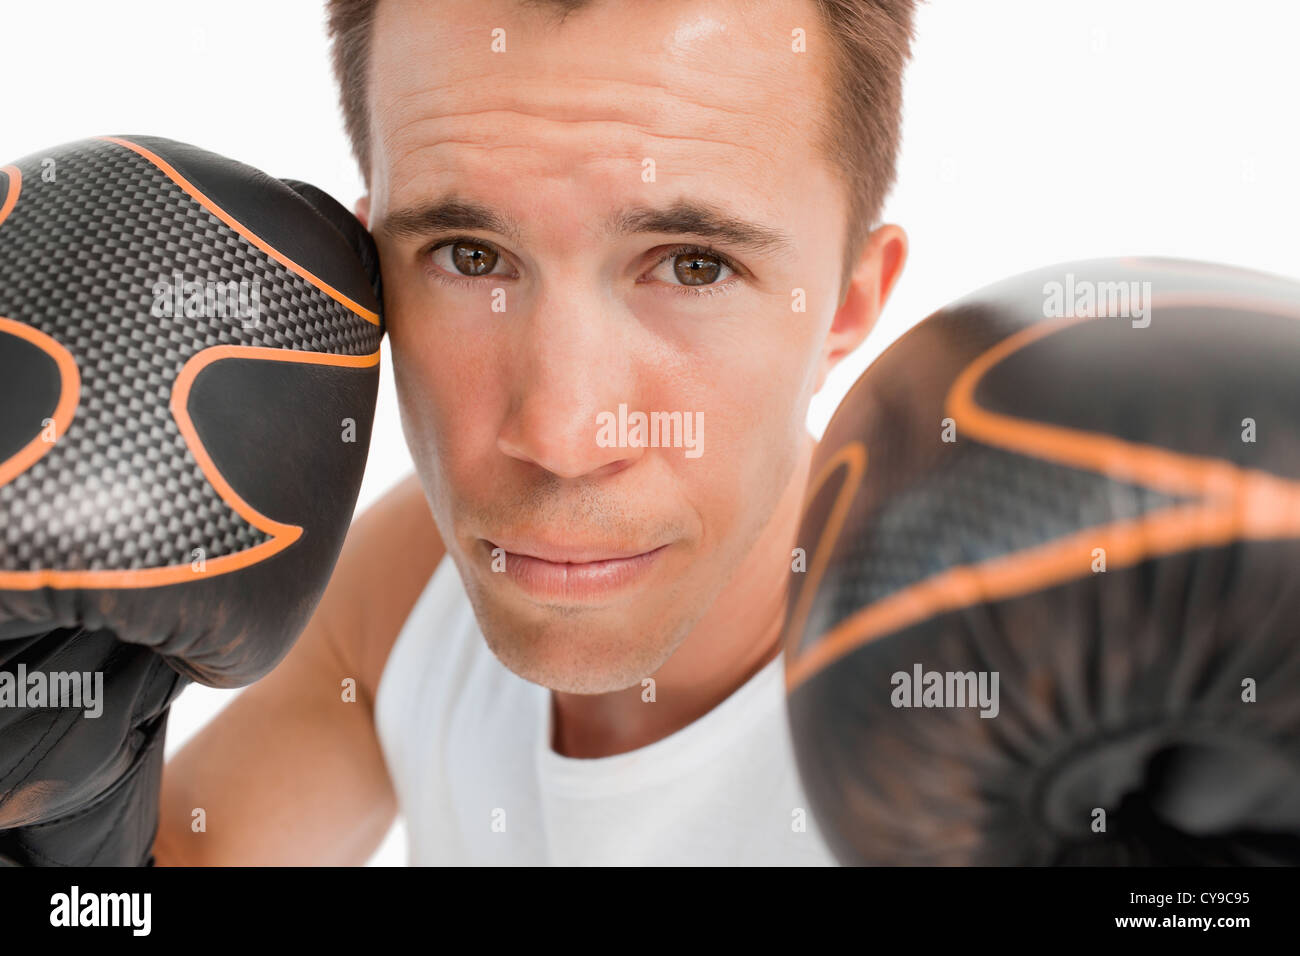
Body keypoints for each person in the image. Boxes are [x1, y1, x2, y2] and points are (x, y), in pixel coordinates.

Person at [155, 0, 913, 865]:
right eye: (469, 256)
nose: (563, 439)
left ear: (847, 305)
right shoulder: (408, 589)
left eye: (691, 266)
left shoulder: (990, 708)